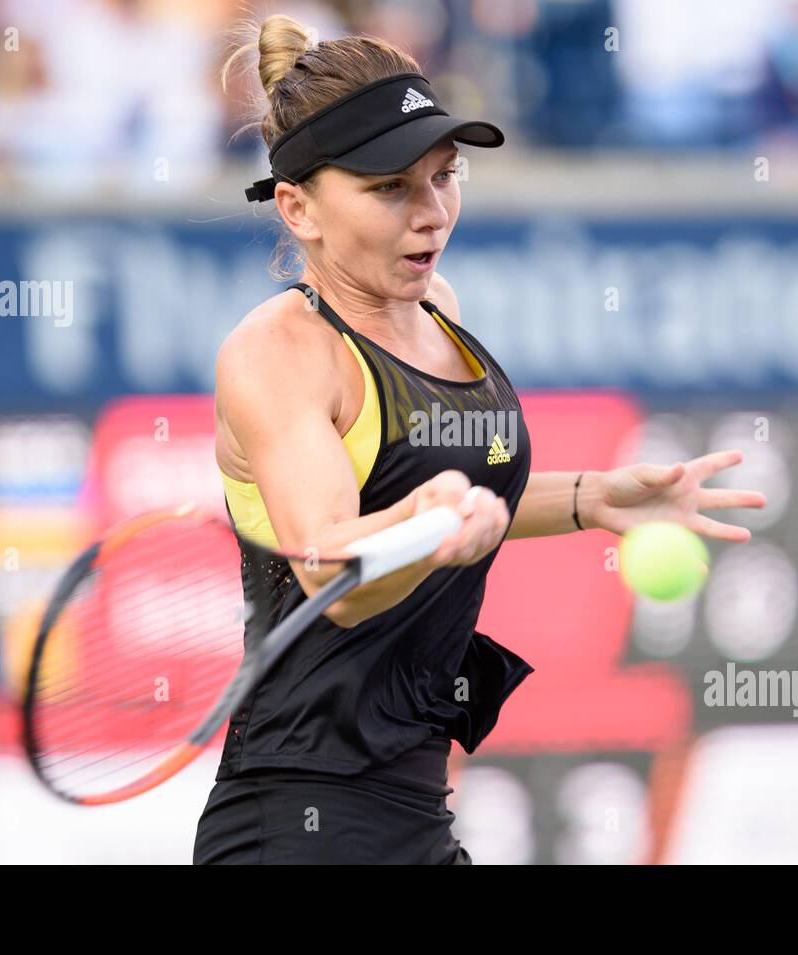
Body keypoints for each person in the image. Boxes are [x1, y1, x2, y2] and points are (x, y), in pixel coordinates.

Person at [194, 14, 765, 865]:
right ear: (297, 208)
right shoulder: (277, 351)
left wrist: (591, 497)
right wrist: (430, 521)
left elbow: (447, 494)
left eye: (445, 177)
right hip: (297, 820)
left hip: (416, 803)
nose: (431, 214)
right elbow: (330, 569)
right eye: (390, 188)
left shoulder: (438, 312)